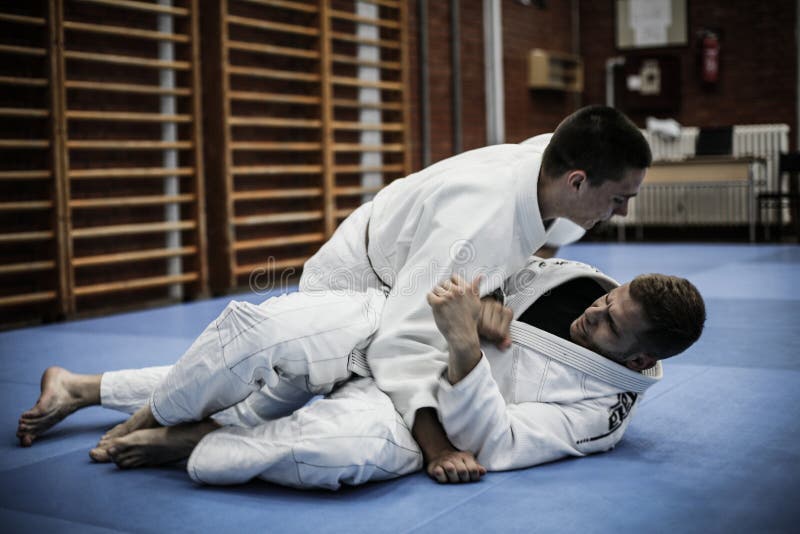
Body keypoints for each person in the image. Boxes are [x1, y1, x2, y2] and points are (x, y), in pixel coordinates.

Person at [17, 258, 705, 489]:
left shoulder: (598, 415)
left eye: (611, 325)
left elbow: (494, 447)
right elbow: (475, 266)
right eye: (605, 301)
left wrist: (466, 350)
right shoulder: (576, 281)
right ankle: (82, 387)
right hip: (398, 330)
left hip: (427, 413)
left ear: (642, 360)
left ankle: (191, 443)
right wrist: (482, 304)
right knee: (272, 339)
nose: (592, 314)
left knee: (330, 453)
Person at [297, 106, 653, 464]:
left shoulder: (551, 163)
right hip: (354, 290)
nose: (622, 212)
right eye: (618, 199)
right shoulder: (477, 227)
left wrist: (493, 291)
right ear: (576, 182)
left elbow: (550, 229)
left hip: (403, 252)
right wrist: (439, 451)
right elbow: (401, 342)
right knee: (374, 448)